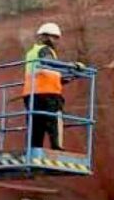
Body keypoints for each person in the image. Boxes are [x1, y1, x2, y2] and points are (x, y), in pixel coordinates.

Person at [23, 21, 84, 151]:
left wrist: (69, 77)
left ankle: (33, 149)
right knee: (54, 120)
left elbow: (50, 74)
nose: (56, 41)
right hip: (48, 95)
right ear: (44, 37)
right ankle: (57, 147)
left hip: (31, 95)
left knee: (36, 124)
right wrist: (73, 65)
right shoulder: (45, 50)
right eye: (54, 37)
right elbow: (48, 62)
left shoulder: (31, 52)